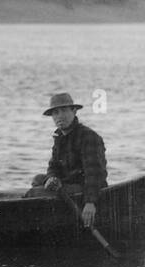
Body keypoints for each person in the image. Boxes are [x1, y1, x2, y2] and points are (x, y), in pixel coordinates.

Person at [30, 92, 107, 228]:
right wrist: (51, 178)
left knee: (34, 193)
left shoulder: (88, 137)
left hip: (84, 189)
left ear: (74, 111)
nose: (60, 116)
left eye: (64, 110)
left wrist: (90, 203)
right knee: (38, 179)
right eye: (55, 113)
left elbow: (94, 174)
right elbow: (53, 166)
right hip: (66, 185)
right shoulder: (59, 137)